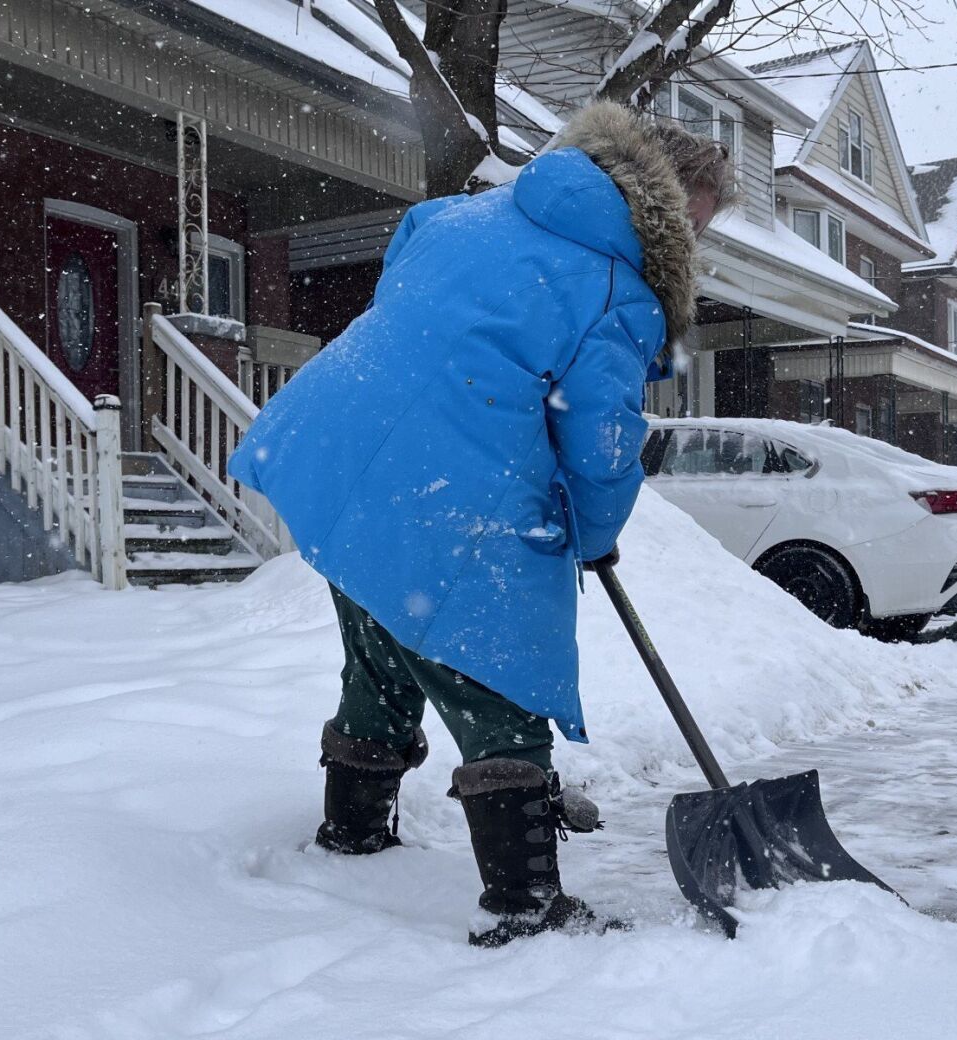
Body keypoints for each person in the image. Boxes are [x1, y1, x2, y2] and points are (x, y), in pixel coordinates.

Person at [228, 102, 737, 946]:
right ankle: (525, 904)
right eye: (696, 221)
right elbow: (601, 440)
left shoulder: (469, 211)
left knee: (386, 644)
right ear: (661, 199)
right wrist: (595, 528)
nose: (694, 239)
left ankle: (353, 834)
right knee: (498, 679)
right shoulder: (620, 283)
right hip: (443, 484)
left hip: (335, 445)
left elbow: (411, 270)